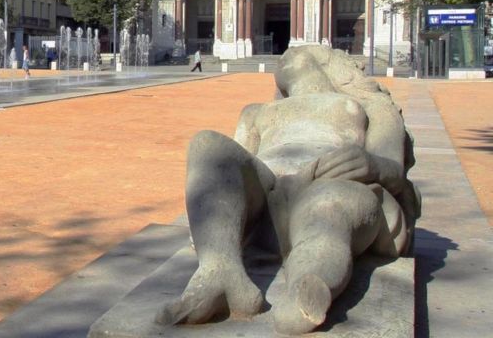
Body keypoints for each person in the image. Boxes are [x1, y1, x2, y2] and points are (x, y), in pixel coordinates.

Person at [158, 45, 419, 334]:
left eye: (298, 51)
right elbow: (234, 170)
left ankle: (308, 286)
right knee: (206, 145)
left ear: (331, 62)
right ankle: (220, 271)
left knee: (328, 207)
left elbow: (394, 169)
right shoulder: (257, 112)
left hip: (331, 184)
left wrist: (372, 164)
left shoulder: (370, 106)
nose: (288, 56)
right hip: (267, 195)